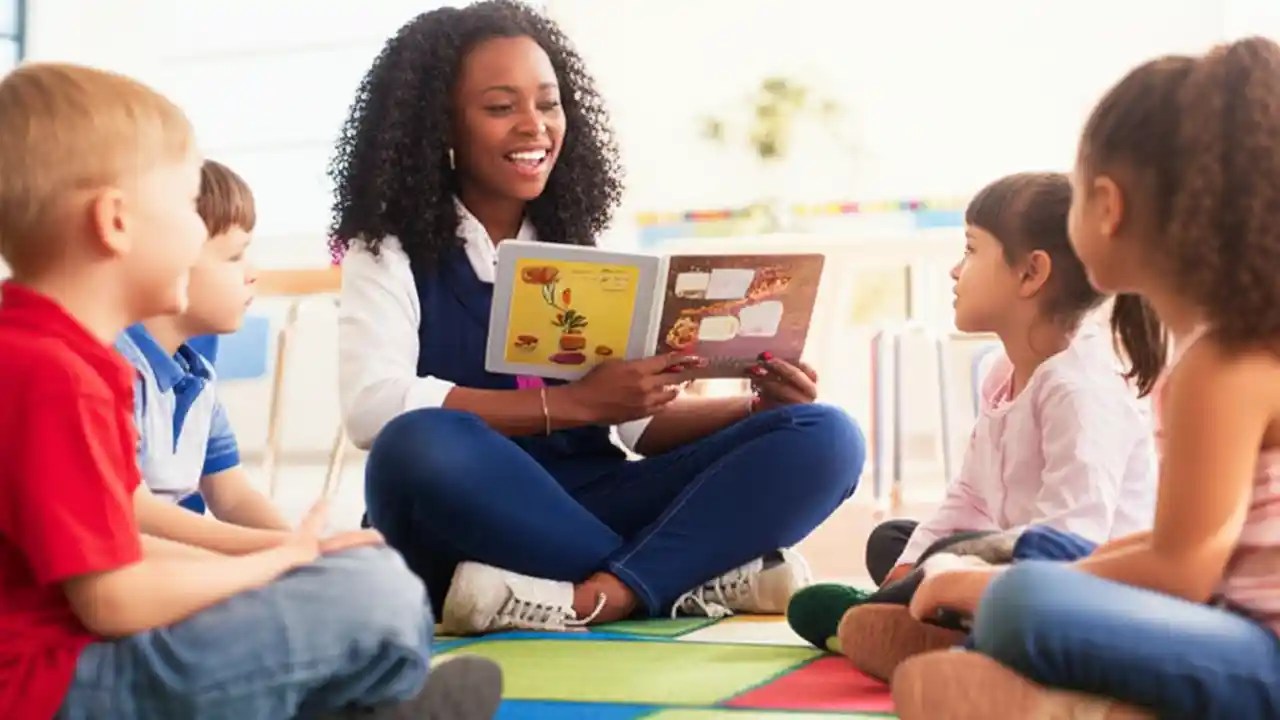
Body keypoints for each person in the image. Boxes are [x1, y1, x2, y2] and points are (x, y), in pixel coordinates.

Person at [330, 0, 865, 635]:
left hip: (595, 500)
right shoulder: (387, 250)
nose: (535, 126)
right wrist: (577, 405)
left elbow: (637, 428)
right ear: (439, 126)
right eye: (501, 108)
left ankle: (593, 596)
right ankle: (674, 577)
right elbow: (372, 407)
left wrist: (756, 410)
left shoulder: (587, 246)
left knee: (825, 434)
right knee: (417, 444)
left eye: (548, 104)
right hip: (470, 510)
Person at [0, 62, 500, 720]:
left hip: (71, 662)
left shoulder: (49, 356)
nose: (197, 230)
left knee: (357, 580)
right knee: (375, 595)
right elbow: (114, 599)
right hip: (56, 690)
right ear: (115, 223)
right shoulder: (51, 374)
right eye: (185, 206)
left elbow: (116, 544)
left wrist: (287, 556)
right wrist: (277, 563)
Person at [895, 37, 1280, 720]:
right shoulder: (1220, 353)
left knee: (1021, 602)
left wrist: (987, 588)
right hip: (1234, 627)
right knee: (1025, 586)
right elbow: (1176, 542)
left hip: (1261, 655)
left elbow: (1181, 571)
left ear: (1107, 205)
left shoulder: (1222, 365)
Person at [786, 173, 1162, 679]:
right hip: (1012, 557)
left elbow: (1074, 537)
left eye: (970, 250)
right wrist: (910, 566)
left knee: (949, 554)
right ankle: (912, 618)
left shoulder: (1079, 389)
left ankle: (893, 624)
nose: (954, 271)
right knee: (893, 540)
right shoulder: (1003, 373)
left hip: (1084, 587)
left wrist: (958, 567)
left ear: (1031, 274)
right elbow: (967, 495)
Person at [117, 159, 296, 554]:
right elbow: (134, 516)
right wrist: (273, 554)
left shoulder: (197, 378)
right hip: (146, 569)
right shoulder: (115, 371)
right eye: (235, 256)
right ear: (168, 260)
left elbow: (230, 494)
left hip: (178, 564)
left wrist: (301, 545)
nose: (253, 273)